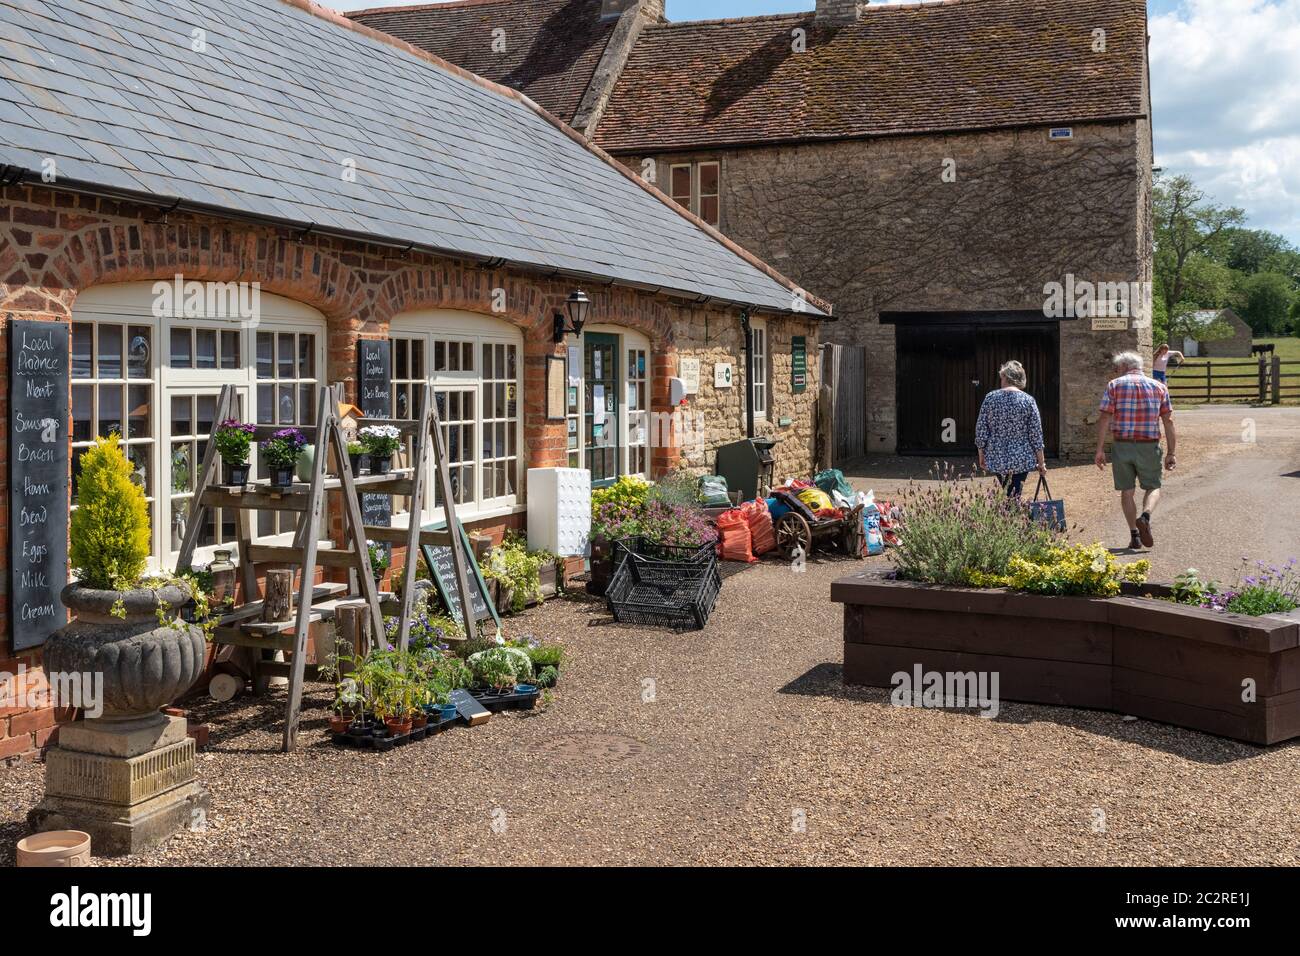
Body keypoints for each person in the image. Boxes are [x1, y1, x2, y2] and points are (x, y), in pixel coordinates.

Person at [1095, 351, 1177, 551]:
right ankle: (1146, 516)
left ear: (1123, 367)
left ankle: (1135, 535)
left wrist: (1099, 450)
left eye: (1117, 368)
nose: (1116, 372)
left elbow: (1105, 418)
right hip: (1149, 445)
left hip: (1122, 445)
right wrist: (1171, 453)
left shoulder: (1114, 385)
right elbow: (1168, 420)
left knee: (1127, 491)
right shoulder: (1159, 386)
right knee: (1153, 486)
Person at [975, 360, 1047, 498]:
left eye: (1001, 377)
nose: (1000, 380)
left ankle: (1011, 514)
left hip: (997, 457)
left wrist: (981, 454)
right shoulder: (1028, 400)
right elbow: (1036, 434)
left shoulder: (990, 398)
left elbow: (981, 430)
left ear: (1006, 377)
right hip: (1022, 458)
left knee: (1010, 493)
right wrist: (1041, 462)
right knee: (1014, 494)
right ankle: (1013, 513)